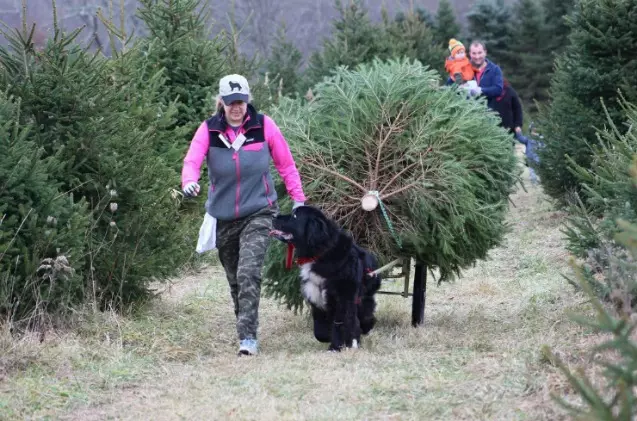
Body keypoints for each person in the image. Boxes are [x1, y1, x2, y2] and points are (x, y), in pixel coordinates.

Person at [181, 74, 306, 356]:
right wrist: (189, 180)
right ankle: (244, 320)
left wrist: (298, 199)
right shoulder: (209, 130)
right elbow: (192, 159)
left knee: (249, 272)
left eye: (240, 102)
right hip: (224, 216)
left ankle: (247, 337)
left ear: (247, 100)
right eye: (230, 103)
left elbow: (286, 165)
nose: (236, 107)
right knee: (235, 278)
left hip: (259, 210)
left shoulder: (264, 126)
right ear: (221, 103)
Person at [453, 40, 504, 111]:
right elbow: (449, 86)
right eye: (474, 53)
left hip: (488, 114)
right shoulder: (461, 68)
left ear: (485, 52)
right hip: (465, 115)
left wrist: (480, 90)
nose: (477, 57)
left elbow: (498, 90)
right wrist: (459, 88)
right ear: (470, 54)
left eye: (480, 53)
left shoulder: (494, 69)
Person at [491, 78, 524, 143]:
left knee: (508, 150)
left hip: (509, 130)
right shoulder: (488, 92)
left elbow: (517, 109)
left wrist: (518, 125)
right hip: (491, 129)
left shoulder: (510, 92)